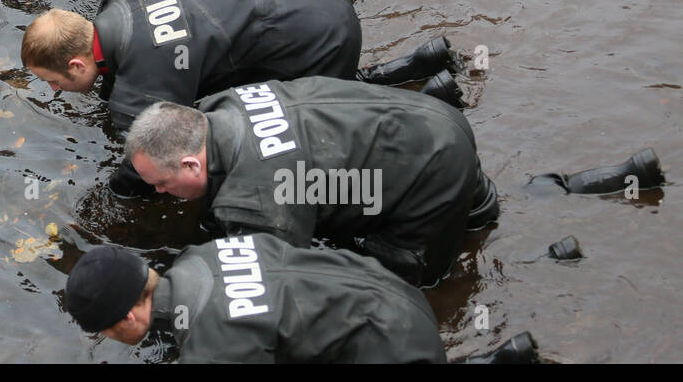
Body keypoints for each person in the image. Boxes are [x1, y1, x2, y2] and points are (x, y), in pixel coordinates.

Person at [124, 77, 501, 287]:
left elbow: (281, 281)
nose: (159, 192)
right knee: (478, 212)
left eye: (162, 183)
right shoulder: (221, 104)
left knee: (399, 281)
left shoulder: (260, 202)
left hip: (433, 165)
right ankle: (478, 205)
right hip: (427, 115)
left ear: (191, 165)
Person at [21, 0, 362, 135]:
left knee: (311, 128)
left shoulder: (142, 89)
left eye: (53, 80)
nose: (53, 90)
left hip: (326, 37)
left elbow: (153, 162)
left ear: (78, 66)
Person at [64, 236, 448, 362]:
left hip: (403, 348)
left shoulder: (209, 346)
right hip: (397, 291)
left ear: (128, 318)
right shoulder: (203, 255)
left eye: (105, 331)